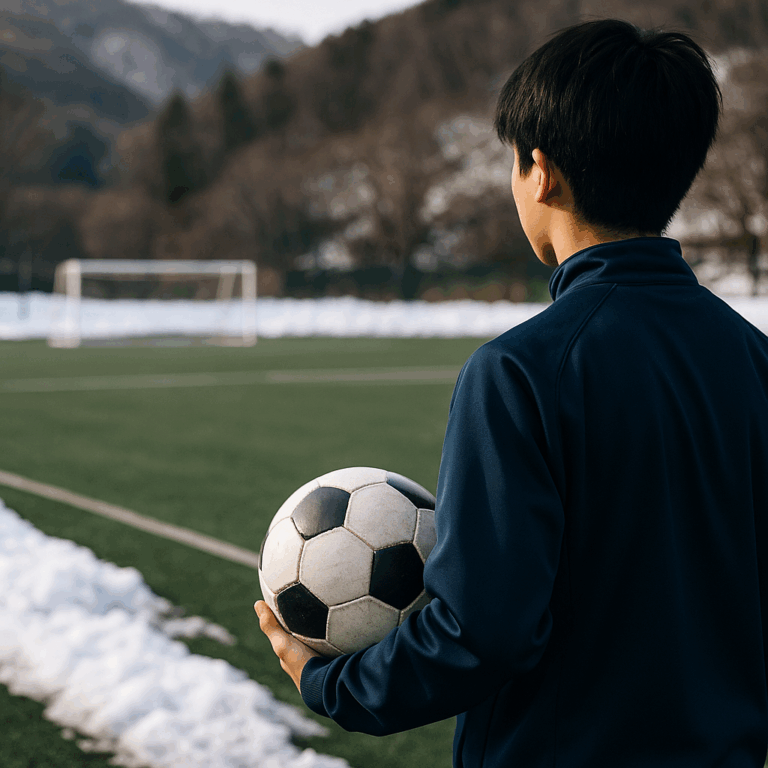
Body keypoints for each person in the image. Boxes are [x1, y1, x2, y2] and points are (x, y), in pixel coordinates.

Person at [256, 17, 768, 768]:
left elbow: (481, 631)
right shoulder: (754, 360)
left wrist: (334, 683)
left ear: (541, 171)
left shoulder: (522, 371)